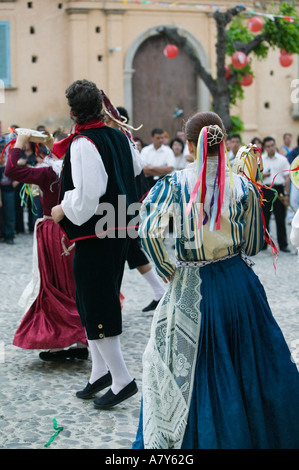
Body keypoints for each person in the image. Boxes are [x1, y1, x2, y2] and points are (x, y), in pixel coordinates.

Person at [132, 111, 299, 449]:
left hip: (194, 282)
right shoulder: (243, 185)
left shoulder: (173, 183)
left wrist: (167, 269)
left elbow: (147, 230)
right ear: (222, 142)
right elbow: (254, 245)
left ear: (190, 145)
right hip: (239, 283)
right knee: (249, 361)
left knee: (199, 367)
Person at [51, 80, 142, 408]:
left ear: (73, 111)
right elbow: (136, 168)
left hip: (97, 232)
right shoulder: (118, 135)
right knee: (90, 299)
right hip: (119, 226)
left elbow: (88, 197)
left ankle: (122, 379)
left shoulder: (84, 142)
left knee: (97, 302)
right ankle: (99, 371)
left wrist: (63, 209)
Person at [5, 129, 88, 360]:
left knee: (53, 287)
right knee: (73, 284)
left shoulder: (46, 173)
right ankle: (81, 342)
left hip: (53, 231)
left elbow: (11, 169)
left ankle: (58, 342)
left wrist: (19, 142)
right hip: (76, 230)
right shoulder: (76, 169)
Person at [104, 104, 165, 313]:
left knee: (125, 252)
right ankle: (159, 293)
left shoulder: (124, 141)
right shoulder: (122, 140)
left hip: (124, 206)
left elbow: (135, 174)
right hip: (120, 206)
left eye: (108, 117)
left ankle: (159, 293)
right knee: (129, 252)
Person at [261, 136, 291, 252]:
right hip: (266, 190)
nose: (271, 148)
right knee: (265, 218)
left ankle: (283, 244)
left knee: (280, 218)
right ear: (264, 148)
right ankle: (264, 243)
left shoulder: (282, 159)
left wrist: (287, 194)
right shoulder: (261, 159)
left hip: (278, 190)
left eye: (273, 145)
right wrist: (263, 175)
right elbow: (256, 176)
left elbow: (287, 178)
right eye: (268, 146)